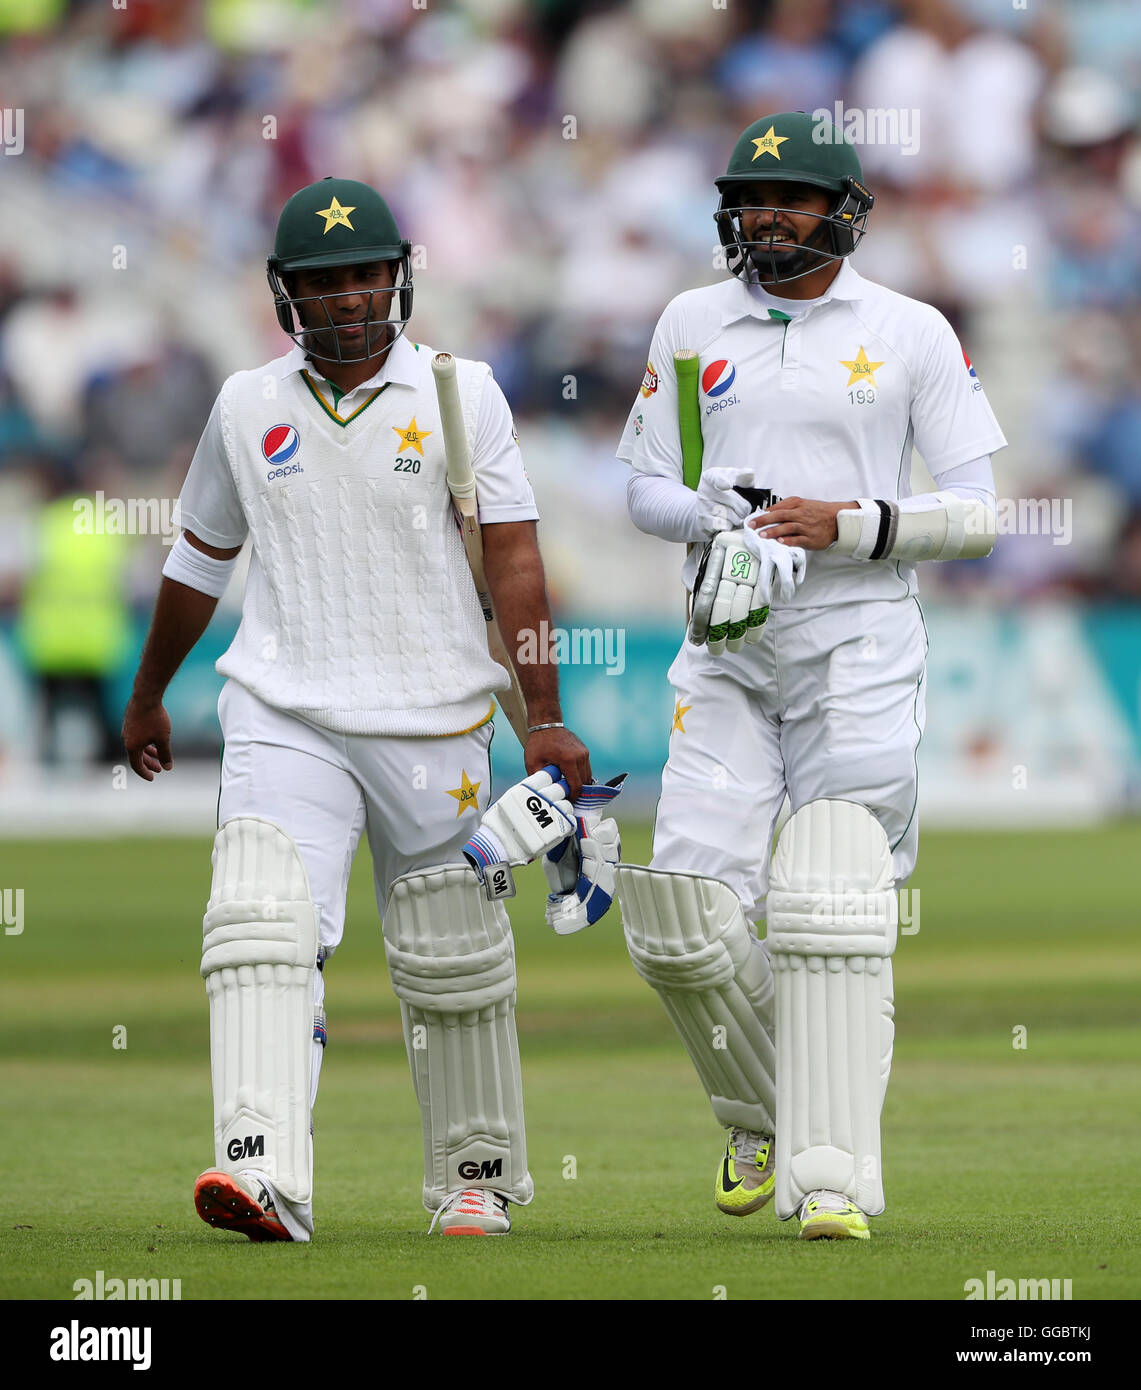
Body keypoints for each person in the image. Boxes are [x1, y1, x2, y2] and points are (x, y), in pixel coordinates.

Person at [122, 177, 593, 1240]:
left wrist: (544, 715)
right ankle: (263, 1171)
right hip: (284, 705)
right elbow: (199, 560)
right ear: (286, 295)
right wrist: (150, 690)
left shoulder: (460, 393)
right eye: (323, 282)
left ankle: (474, 1177)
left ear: (399, 279)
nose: (346, 298)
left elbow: (512, 562)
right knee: (260, 923)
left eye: (364, 276)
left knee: (452, 958)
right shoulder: (246, 403)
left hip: (437, 717)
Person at [613, 114, 1005, 1239]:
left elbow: (977, 512)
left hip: (860, 640)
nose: (760, 216)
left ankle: (831, 1175)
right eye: (746, 197)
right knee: (687, 917)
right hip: (726, 639)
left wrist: (851, 523)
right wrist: (709, 512)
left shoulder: (910, 328)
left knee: (832, 904)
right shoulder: (692, 320)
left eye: (784, 197)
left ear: (842, 208)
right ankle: (761, 1110)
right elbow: (643, 483)